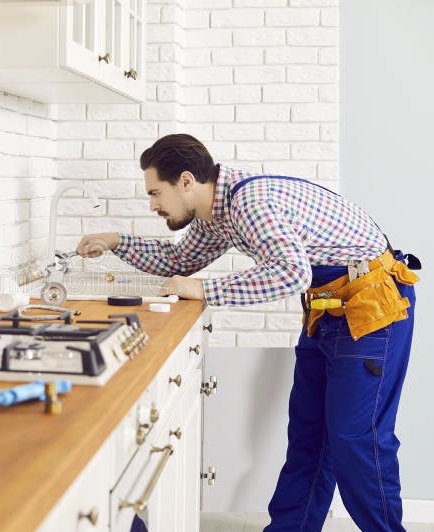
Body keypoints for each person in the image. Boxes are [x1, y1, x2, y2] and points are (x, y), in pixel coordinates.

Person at [76, 134, 420, 531]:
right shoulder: (217, 214)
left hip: (371, 309)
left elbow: (291, 273)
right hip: (327, 311)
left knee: (356, 439)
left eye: (155, 193)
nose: (153, 205)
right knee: (310, 438)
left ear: (185, 181)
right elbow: (179, 259)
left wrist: (205, 290)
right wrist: (116, 241)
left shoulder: (249, 203)